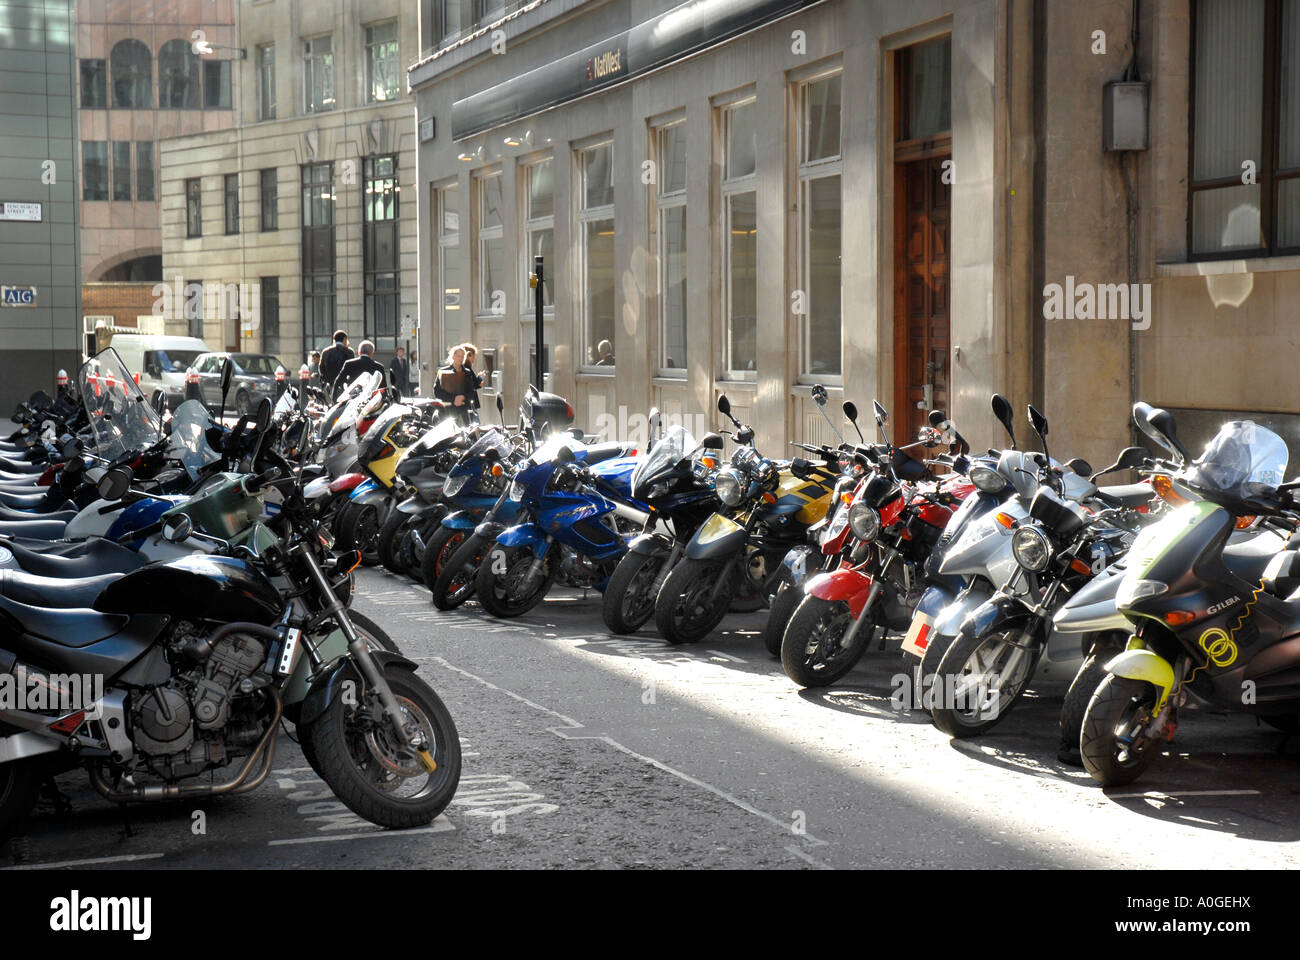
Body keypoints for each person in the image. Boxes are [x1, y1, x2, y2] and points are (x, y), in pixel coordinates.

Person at [433, 343, 478, 423]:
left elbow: (471, 391)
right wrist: (453, 399)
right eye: (458, 356)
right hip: (447, 411)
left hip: (464, 412)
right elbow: (437, 392)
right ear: (453, 356)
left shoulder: (467, 373)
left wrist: (463, 397)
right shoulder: (443, 371)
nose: (461, 358)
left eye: (463, 356)